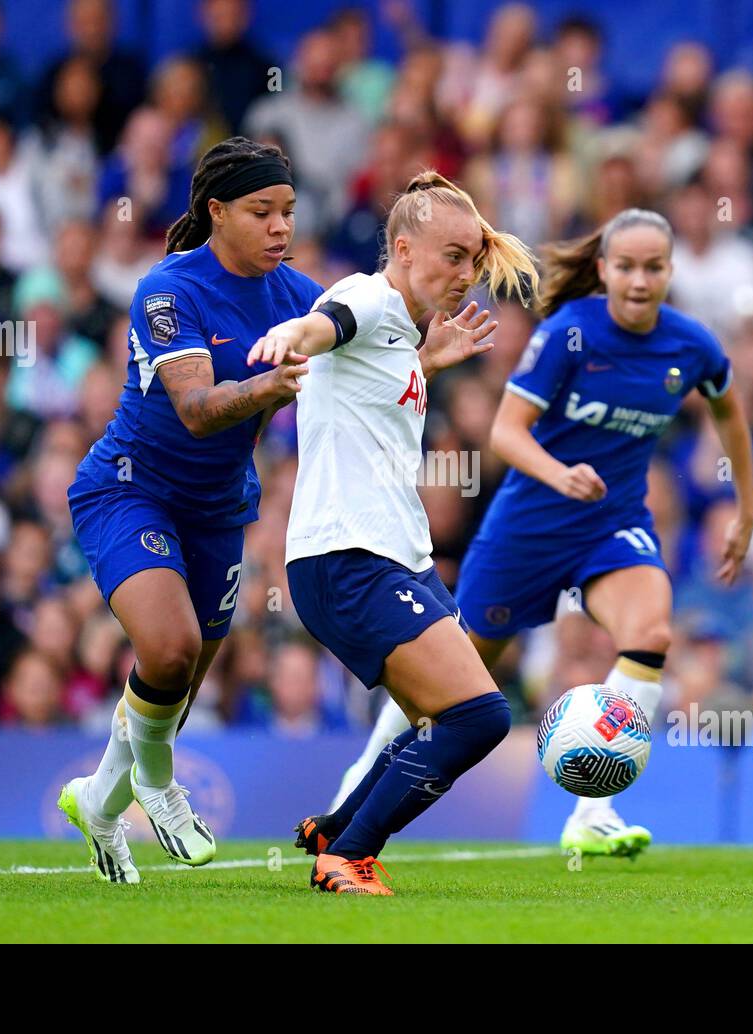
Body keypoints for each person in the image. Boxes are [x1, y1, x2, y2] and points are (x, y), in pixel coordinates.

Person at [321, 207, 753, 860]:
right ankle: (357, 786)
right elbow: (504, 431)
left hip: (612, 522)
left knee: (651, 633)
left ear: (672, 271)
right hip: (526, 527)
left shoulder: (691, 345)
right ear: (604, 270)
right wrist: (560, 474)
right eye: (627, 266)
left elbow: (729, 410)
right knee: (451, 685)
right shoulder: (569, 334)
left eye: (654, 267)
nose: (640, 280)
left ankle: (593, 811)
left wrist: (747, 510)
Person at [248, 170, 537, 894]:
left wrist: (426, 363)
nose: (465, 273)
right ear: (403, 249)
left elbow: (367, 387)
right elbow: (328, 326)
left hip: (389, 559)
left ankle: (337, 825)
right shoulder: (367, 297)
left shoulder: (400, 332)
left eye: (473, 258)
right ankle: (350, 855)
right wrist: (293, 333)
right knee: (477, 717)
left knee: (436, 714)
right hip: (351, 556)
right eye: (452, 256)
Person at [57, 137, 321, 885]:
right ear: (216, 212)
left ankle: (96, 805)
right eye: (262, 211)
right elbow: (200, 409)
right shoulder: (168, 291)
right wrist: (269, 390)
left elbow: (370, 338)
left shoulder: (296, 295)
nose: (280, 227)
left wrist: (426, 354)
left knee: (171, 686)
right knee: (168, 649)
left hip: (216, 510)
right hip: (129, 489)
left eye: (288, 213)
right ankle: (160, 789)